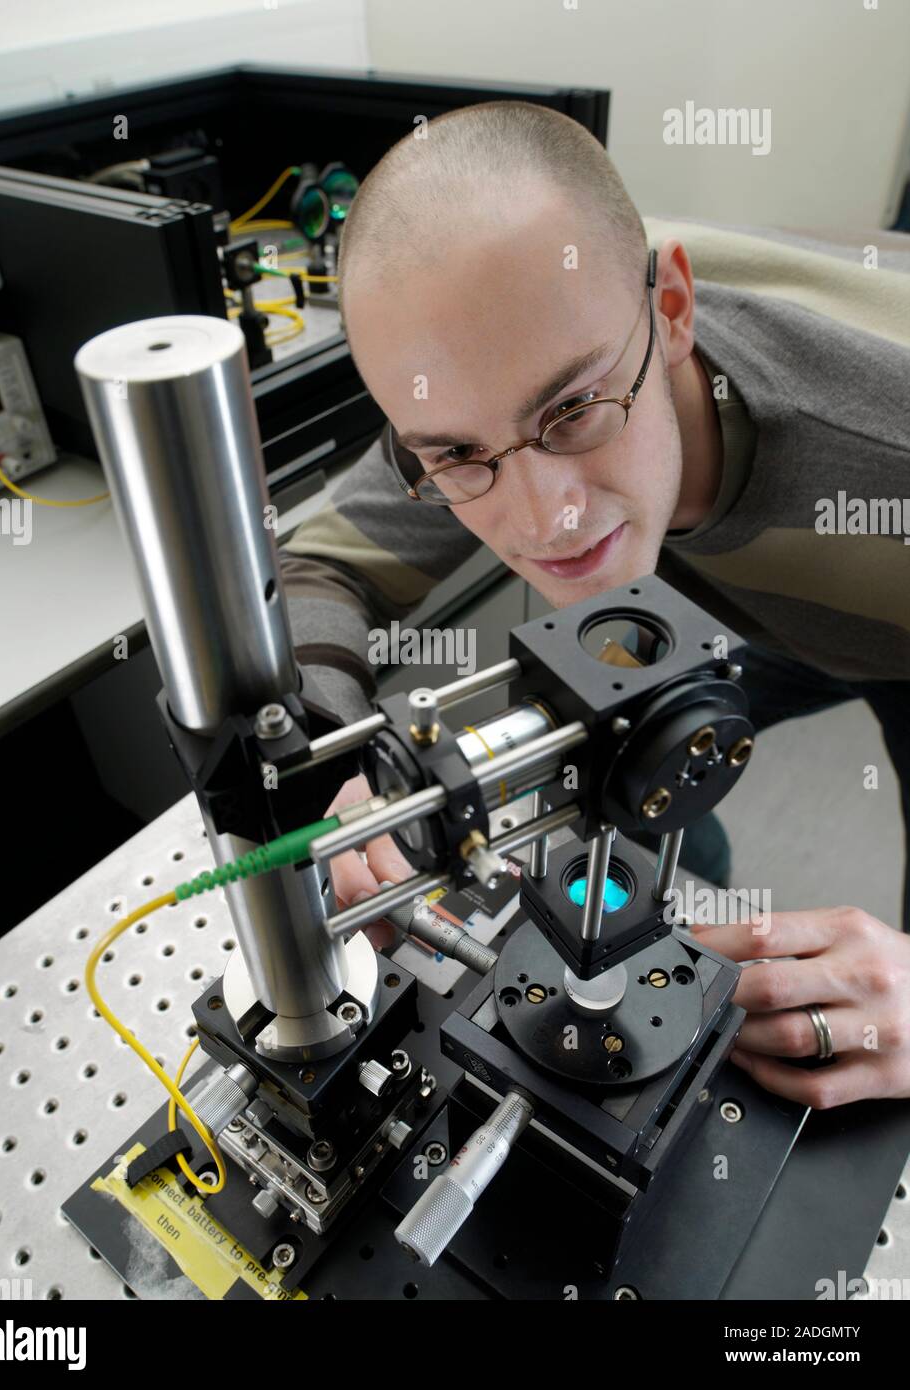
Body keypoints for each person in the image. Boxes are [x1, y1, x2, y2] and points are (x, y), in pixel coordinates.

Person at [278, 100, 910, 1107]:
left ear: (671, 313)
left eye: (572, 410)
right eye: (456, 455)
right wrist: (339, 771)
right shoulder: (509, 337)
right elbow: (313, 565)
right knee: (628, 773)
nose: (547, 521)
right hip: (739, 614)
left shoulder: (884, 457)